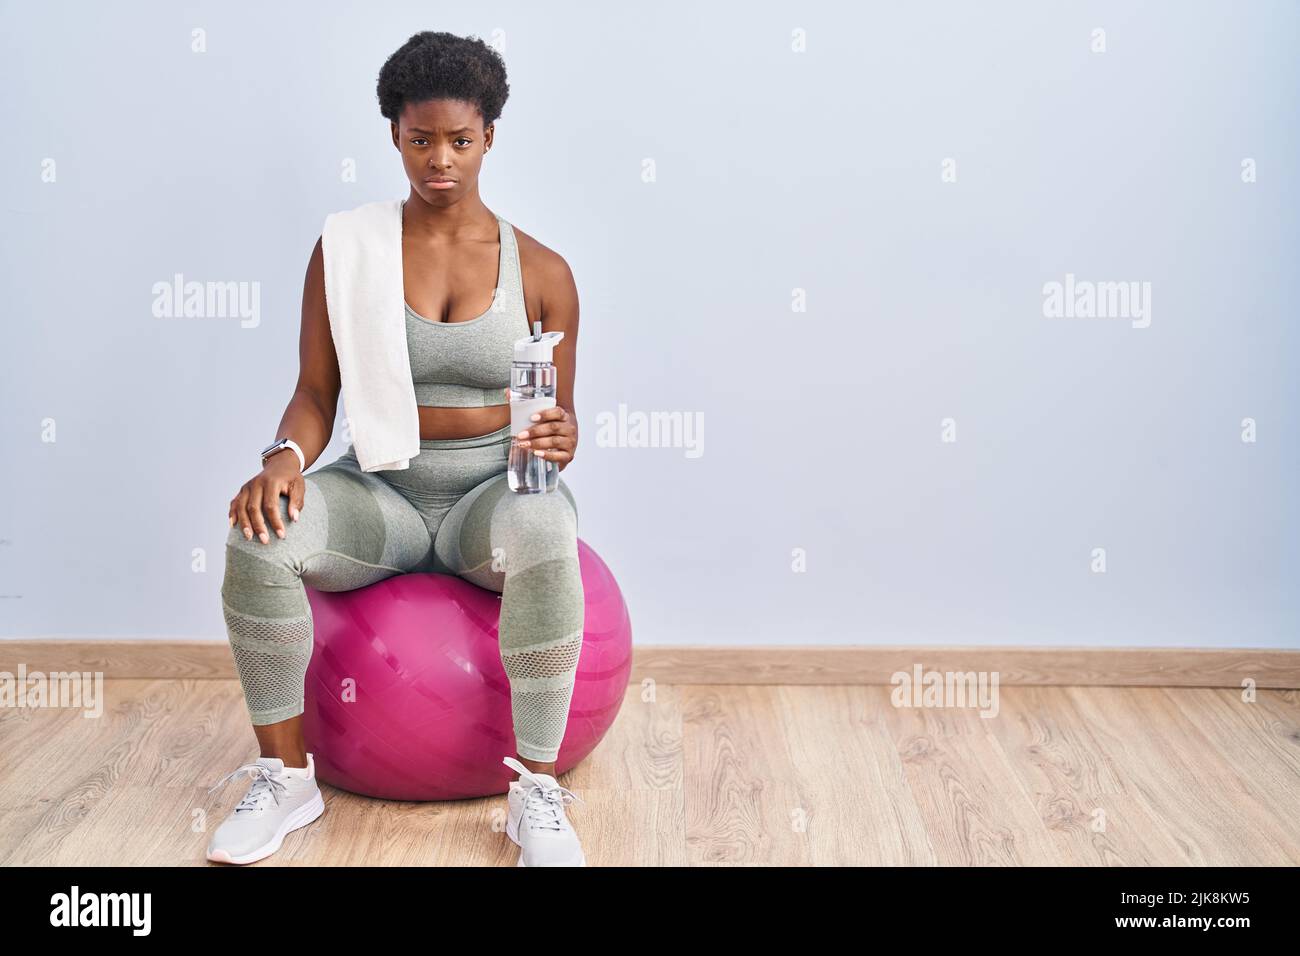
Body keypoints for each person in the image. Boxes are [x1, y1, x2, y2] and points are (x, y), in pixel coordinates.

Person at [206, 31, 586, 867]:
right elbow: (316, 394)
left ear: (490, 136)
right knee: (258, 536)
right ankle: (287, 779)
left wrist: (563, 437)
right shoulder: (345, 251)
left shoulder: (546, 272)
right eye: (421, 140)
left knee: (550, 531)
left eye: (459, 140)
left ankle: (536, 796)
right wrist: (282, 458)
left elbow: (559, 420)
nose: (439, 160)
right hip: (382, 495)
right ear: (394, 135)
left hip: (491, 498)